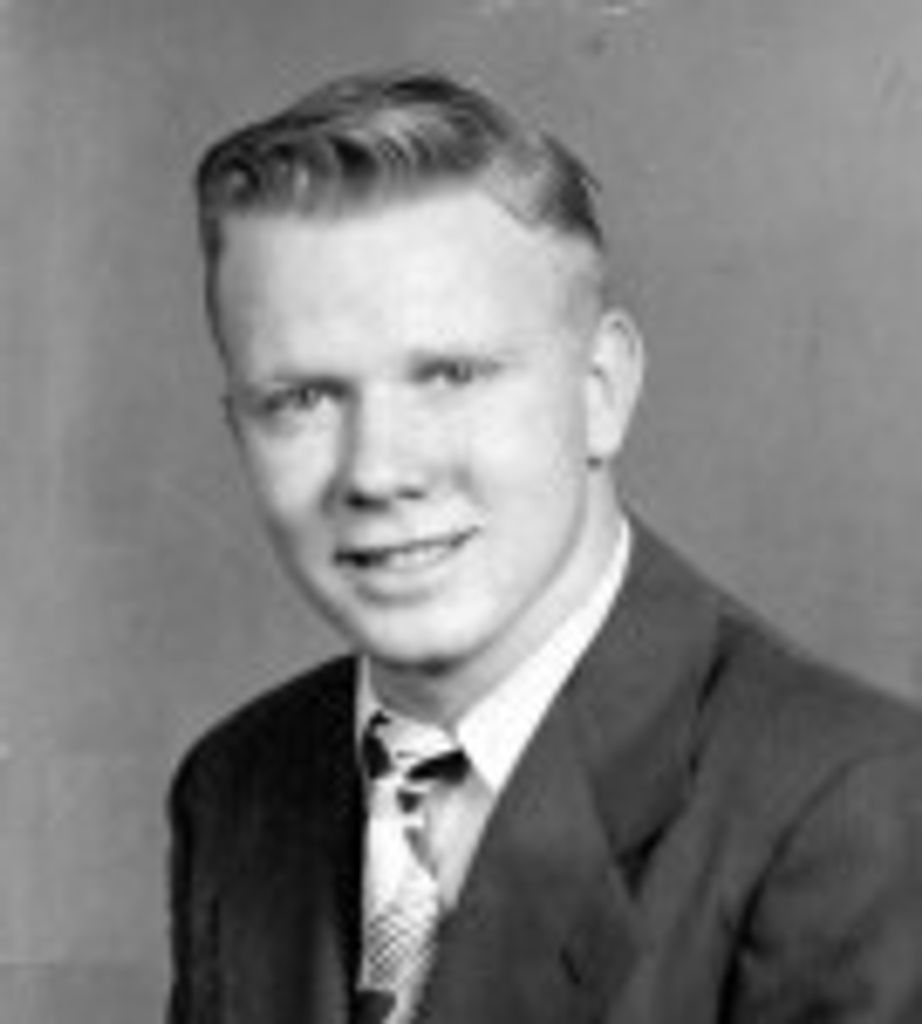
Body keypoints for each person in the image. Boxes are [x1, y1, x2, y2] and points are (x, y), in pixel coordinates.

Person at [168, 67, 922, 1024]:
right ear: (239, 430)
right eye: (302, 398)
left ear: (601, 391)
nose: (378, 471)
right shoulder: (238, 785)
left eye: (450, 375)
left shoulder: (855, 807)